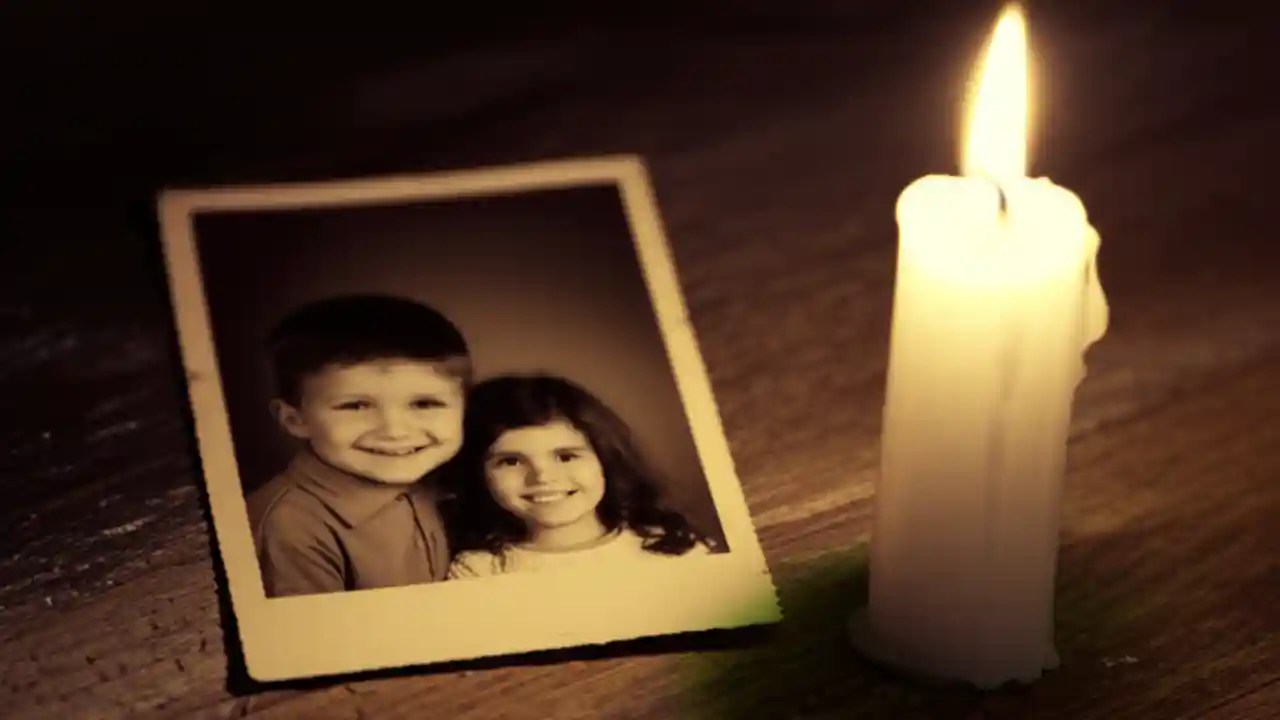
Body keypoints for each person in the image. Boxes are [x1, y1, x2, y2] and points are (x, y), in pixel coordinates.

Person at [246, 294, 471, 597]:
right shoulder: (289, 529)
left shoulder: (440, 482)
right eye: (355, 406)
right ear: (294, 419)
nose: (395, 431)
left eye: (425, 403)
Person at [447, 374, 714, 578]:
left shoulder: (674, 548)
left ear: (606, 460)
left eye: (566, 456)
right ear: (479, 475)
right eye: (511, 461)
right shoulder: (479, 570)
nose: (542, 476)